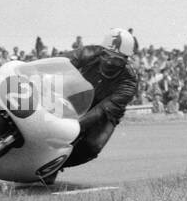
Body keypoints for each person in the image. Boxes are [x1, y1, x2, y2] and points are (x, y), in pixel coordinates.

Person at [59, 28, 140, 170]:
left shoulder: (130, 81)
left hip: (106, 112)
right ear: (101, 51)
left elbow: (102, 109)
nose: (109, 62)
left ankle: (57, 165)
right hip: (79, 96)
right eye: (107, 56)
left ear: (126, 60)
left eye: (117, 60)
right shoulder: (89, 53)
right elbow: (60, 62)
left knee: (93, 145)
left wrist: (73, 126)